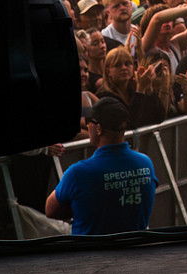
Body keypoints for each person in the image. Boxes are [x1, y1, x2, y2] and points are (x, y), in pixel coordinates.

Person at [45, 97, 157, 235]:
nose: (87, 126)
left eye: (88, 122)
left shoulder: (78, 173)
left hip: (91, 247)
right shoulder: (145, 163)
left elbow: (50, 210)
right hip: (134, 245)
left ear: (98, 128)